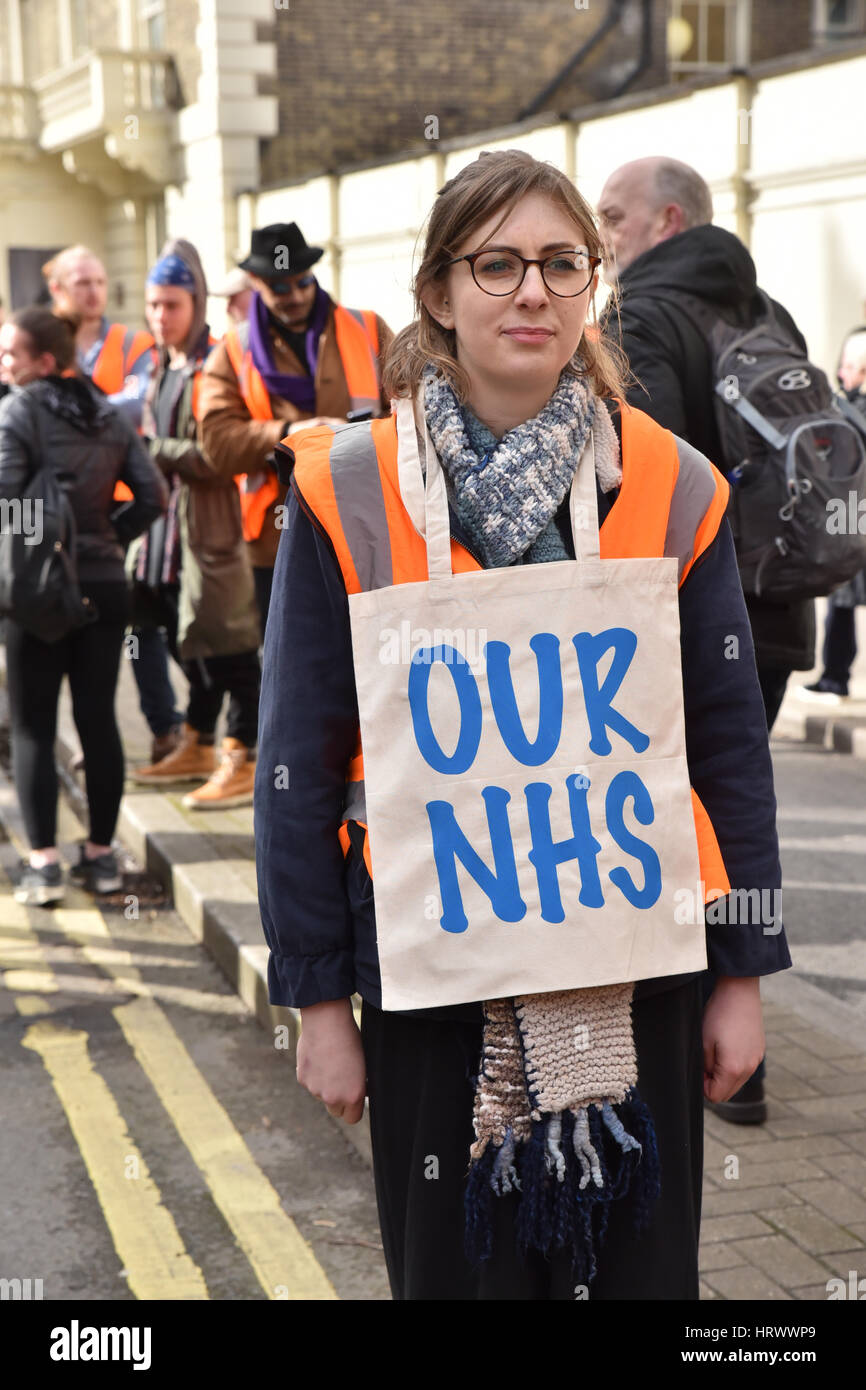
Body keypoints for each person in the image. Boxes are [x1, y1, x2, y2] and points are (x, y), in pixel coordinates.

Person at [255, 150, 791, 1300]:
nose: (532, 292)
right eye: (495, 264)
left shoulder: (674, 484)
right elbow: (299, 762)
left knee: (641, 1280)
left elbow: (728, 751)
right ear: (439, 296)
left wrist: (742, 973)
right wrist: (313, 998)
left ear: (594, 284)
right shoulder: (344, 489)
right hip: (429, 980)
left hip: (640, 972)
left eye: (561, 263)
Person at [597, 156, 815, 735]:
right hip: (779, 611)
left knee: (675, 816)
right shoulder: (769, 311)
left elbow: (645, 478)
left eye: (613, 217)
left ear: (668, 221)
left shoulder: (634, 316)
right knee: (737, 802)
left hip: (692, 617)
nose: (600, 236)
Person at [0, 308, 167, 904]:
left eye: (11, 354)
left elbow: (6, 497)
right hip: (104, 588)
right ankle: (101, 861)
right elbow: (153, 494)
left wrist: (36, 548)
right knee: (97, 720)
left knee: (34, 727)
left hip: (38, 596)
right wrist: (107, 539)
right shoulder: (107, 410)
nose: (5, 364)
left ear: (44, 360)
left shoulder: (18, 409)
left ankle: (43, 865)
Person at [197, 222, 394, 630]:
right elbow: (216, 442)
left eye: (303, 282)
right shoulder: (231, 353)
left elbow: (412, 411)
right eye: (280, 288)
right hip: (277, 541)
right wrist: (295, 434)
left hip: (369, 531)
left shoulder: (368, 328)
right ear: (256, 283)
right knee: (295, 671)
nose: (297, 296)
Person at [130, 240, 261, 810]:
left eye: (173, 305)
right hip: (160, 538)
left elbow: (222, 454)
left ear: (196, 303)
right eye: (154, 305)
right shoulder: (160, 364)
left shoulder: (215, 362)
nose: (161, 317)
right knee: (186, 645)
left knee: (229, 649)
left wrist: (151, 450)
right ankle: (198, 740)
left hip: (212, 534)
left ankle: (247, 755)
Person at [801, 328, 866, 701]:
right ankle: (834, 675)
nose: (842, 374)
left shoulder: (848, 410)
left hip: (853, 512)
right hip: (851, 510)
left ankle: (835, 677)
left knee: (842, 598)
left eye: (848, 366)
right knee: (841, 600)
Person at [43, 246, 154, 428]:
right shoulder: (41, 345)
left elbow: (141, 404)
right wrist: (116, 401)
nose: (94, 292)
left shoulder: (134, 343)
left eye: (100, 282)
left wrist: (76, 413)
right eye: (83, 283)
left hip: (119, 453)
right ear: (56, 289)